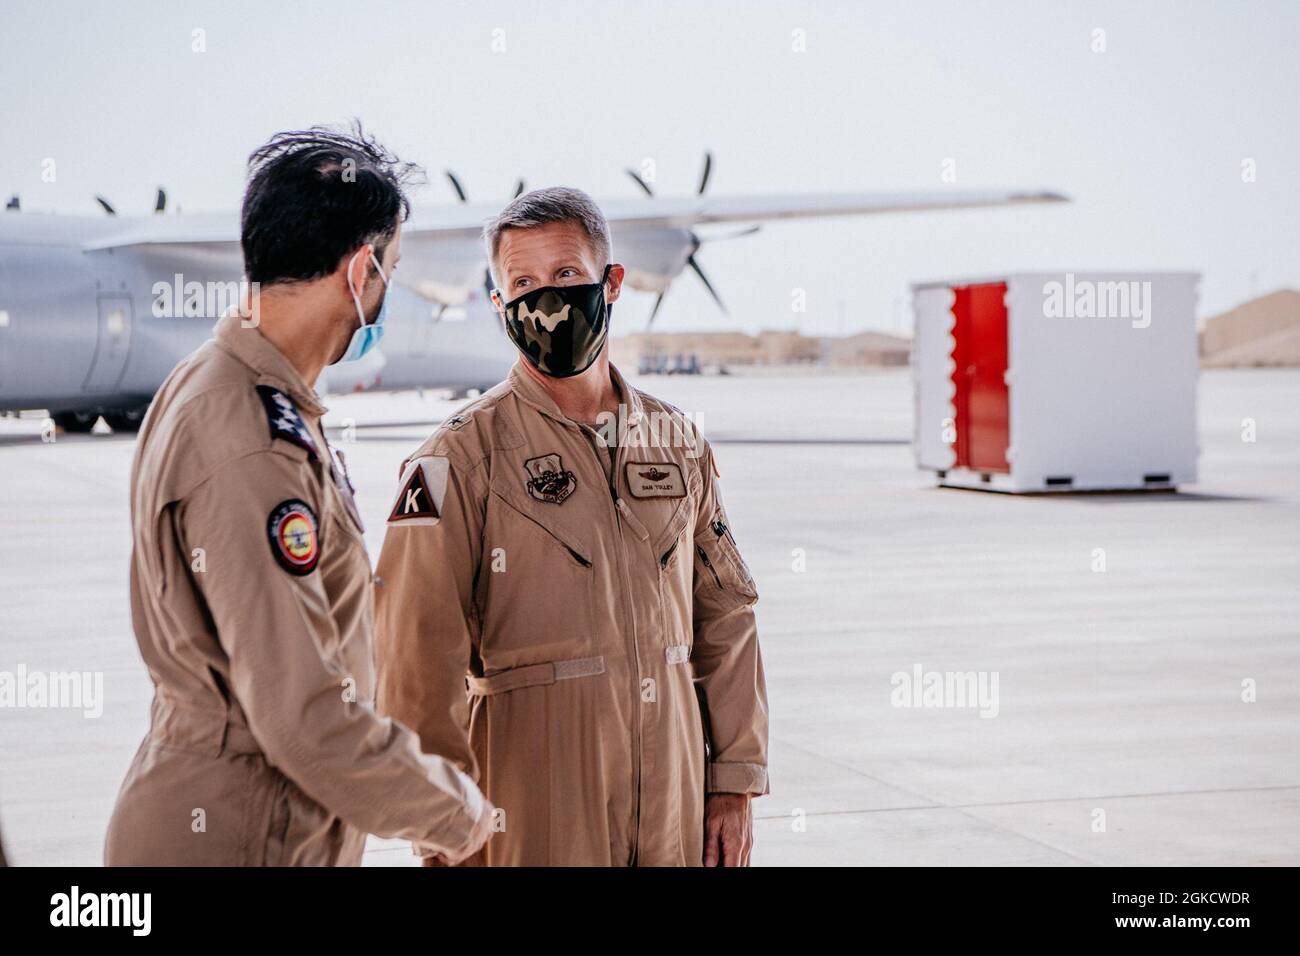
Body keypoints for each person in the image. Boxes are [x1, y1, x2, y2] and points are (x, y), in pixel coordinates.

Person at [104, 125, 493, 866]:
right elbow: (304, 717)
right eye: (391, 270)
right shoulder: (251, 437)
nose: (387, 292)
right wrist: (456, 811)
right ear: (360, 272)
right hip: (239, 833)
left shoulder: (224, 386)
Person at [373, 187, 768, 866]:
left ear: (610, 284)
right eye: (521, 283)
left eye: (565, 277)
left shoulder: (677, 442)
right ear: (498, 305)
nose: (544, 300)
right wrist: (440, 831)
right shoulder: (456, 459)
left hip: (672, 816)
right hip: (527, 824)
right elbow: (414, 655)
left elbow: (726, 614)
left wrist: (733, 781)